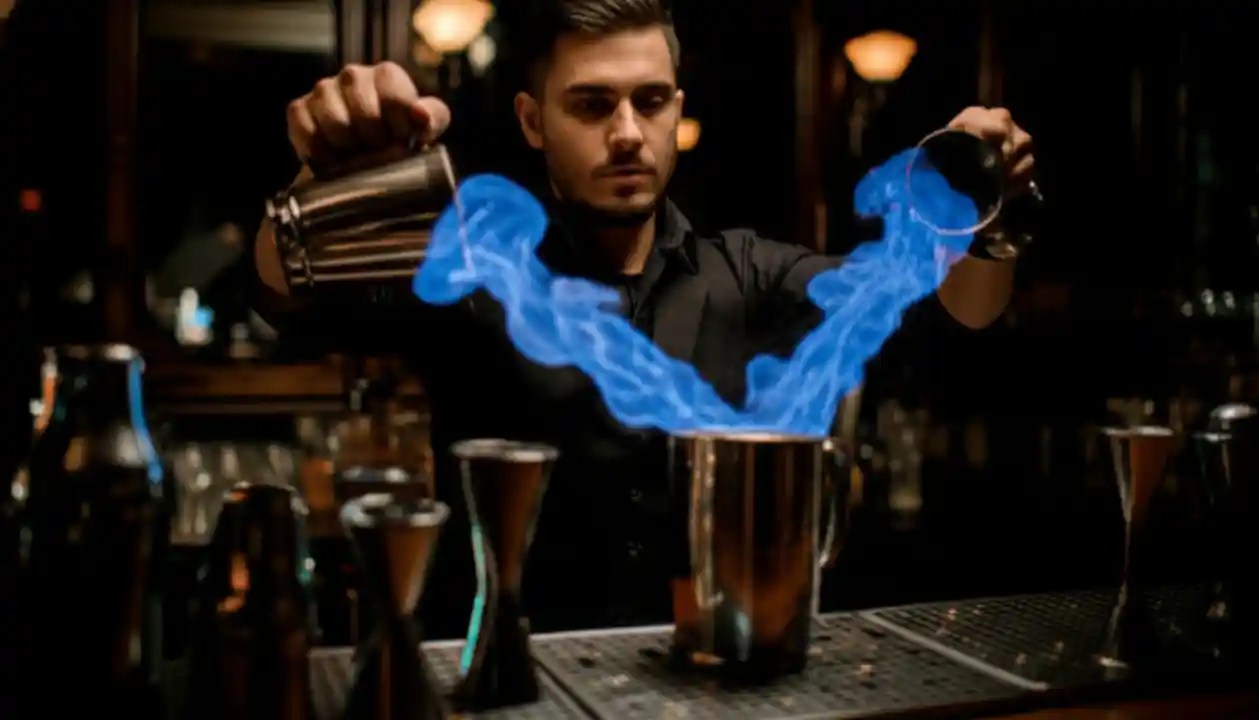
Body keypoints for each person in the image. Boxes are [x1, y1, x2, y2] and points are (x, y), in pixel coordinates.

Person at [253, 0, 1035, 636]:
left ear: (676, 111)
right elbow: (284, 287)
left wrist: (983, 216)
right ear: (533, 121)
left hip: (701, 681)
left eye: (649, 101)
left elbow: (961, 307)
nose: (627, 132)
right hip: (502, 675)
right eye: (592, 105)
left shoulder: (751, 271)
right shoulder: (475, 272)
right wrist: (320, 181)